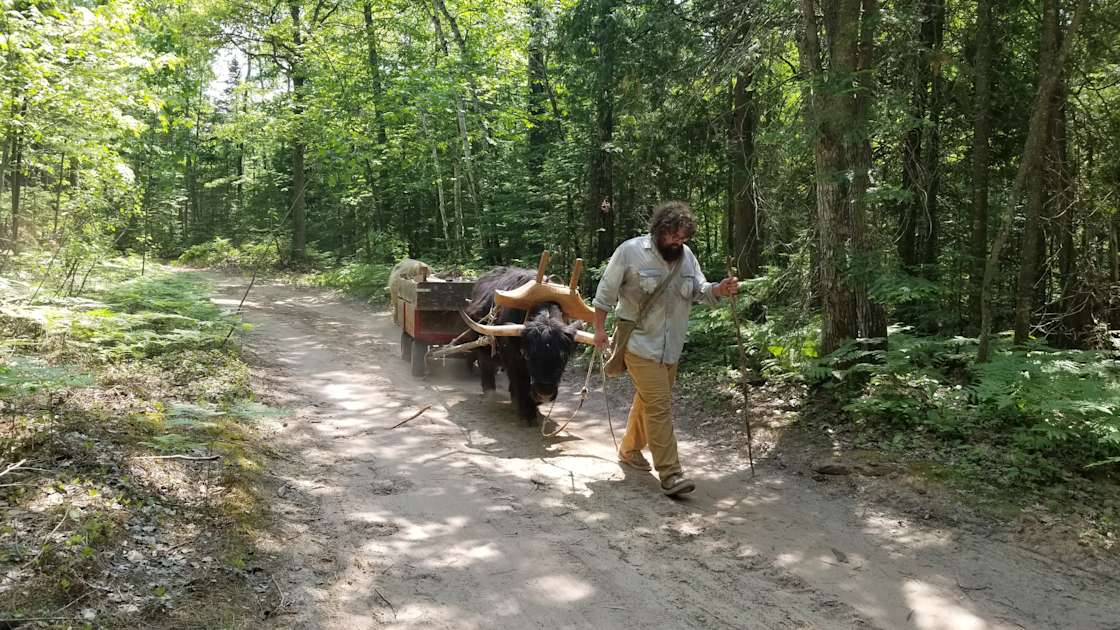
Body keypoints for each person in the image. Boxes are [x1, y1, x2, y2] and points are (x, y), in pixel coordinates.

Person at [592, 201, 739, 496]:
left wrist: (720, 289)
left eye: (683, 239)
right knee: (659, 406)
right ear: (659, 230)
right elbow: (604, 294)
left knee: (649, 401)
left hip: (671, 347)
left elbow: (700, 290)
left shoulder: (687, 258)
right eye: (673, 237)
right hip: (638, 343)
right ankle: (671, 474)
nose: (678, 243)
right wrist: (598, 330)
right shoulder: (630, 251)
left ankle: (630, 450)